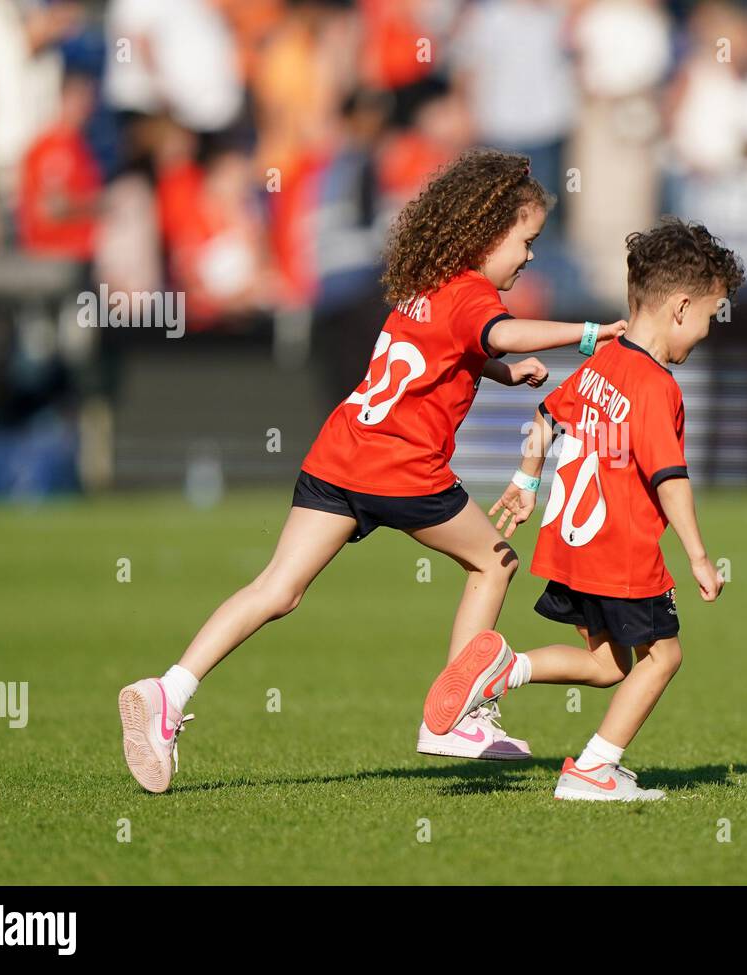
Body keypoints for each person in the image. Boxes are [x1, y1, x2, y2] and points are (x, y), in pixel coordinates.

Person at [116, 150, 626, 793]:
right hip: (401, 467)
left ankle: (169, 690)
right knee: (493, 561)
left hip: (343, 451)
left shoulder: (429, 283)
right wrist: (588, 334)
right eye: (525, 242)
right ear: (488, 233)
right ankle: (456, 714)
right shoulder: (473, 292)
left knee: (278, 588)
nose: (528, 257)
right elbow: (497, 334)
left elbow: (445, 351)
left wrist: (499, 374)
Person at [422, 219, 744, 801]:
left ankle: (505, 667)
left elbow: (546, 418)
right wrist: (698, 555)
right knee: (663, 657)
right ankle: (594, 770)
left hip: (569, 548)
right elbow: (670, 479)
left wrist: (525, 480)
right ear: (679, 308)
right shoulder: (656, 386)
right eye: (707, 318)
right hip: (619, 550)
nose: (703, 335)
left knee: (607, 666)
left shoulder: (602, 364)